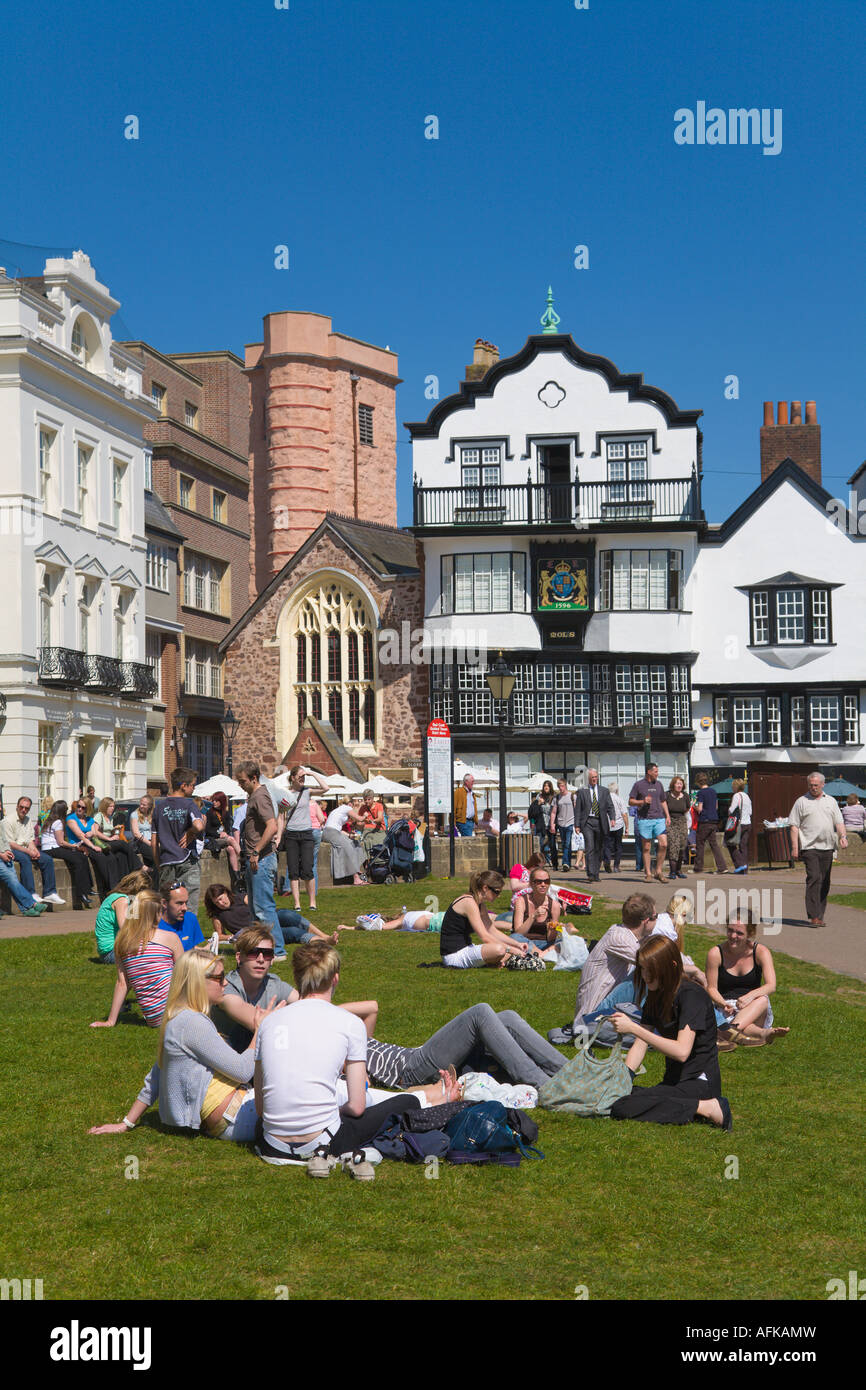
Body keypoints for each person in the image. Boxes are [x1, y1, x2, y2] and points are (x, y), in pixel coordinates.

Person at [254, 942, 445, 1174]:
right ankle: (434, 1098)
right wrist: (337, 1110)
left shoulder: (268, 1023)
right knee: (404, 1102)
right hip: (324, 1141)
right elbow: (356, 1106)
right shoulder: (349, 1023)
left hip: (271, 1145)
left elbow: (261, 1108)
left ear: (296, 976)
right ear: (335, 979)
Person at [89, 947, 278, 1142]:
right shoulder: (192, 1023)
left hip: (232, 1113)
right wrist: (259, 1030)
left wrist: (127, 1122)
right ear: (197, 982)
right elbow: (243, 1071)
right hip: (236, 1116)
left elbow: (157, 1075)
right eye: (219, 978)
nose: (226, 982)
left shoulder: (178, 1017)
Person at [608, 936, 732, 1129]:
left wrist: (633, 1028)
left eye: (651, 970)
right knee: (623, 1097)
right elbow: (640, 1044)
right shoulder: (656, 995)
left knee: (623, 1107)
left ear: (672, 965)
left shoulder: (692, 996)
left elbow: (682, 1052)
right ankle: (694, 1107)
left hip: (699, 1082)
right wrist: (623, 1079)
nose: (645, 976)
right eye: (642, 969)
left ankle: (709, 1107)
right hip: (675, 1080)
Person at [211, 925, 368, 1051]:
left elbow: (311, 1006)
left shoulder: (273, 983)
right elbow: (258, 1023)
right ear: (239, 957)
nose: (260, 959)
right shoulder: (225, 988)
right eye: (253, 953)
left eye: (267, 954)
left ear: (272, 959)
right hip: (229, 1066)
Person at [366, 1002, 568, 1093]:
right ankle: (546, 1086)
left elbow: (372, 1008)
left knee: (508, 1017)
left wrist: (333, 1014)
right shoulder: (338, 1053)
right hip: (409, 1072)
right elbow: (360, 1085)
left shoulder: (342, 1030)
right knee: (479, 1013)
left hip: (414, 1054)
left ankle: (569, 1072)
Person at [569, 893, 657, 1041]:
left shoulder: (624, 933)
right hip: (592, 1016)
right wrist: (694, 972)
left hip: (603, 1006)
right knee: (645, 973)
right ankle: (658, 1024)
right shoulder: (619, 938)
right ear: (646, 921)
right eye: (656, 917)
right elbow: (657, 963)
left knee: (647, 971)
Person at [90, 889, 183, 1028]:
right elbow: (187, 974)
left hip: (154, 1018)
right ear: (155, 914)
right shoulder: (170, 938)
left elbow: (122, 983)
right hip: (177, 1012)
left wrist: (110, 1021)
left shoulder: (122, 942)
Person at [706, 909, 790, 1047]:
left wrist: (750, 996)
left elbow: (771, 985)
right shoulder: (716, 953)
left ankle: (726, 1032)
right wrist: (723, 1003)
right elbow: (711, 988)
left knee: (762, 1000)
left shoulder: (760, 952)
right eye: (730, 930)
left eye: (739, 933)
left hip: (753, 1007)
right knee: (750, 1021)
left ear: (750, 934)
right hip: (726, 1008)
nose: (733, 936)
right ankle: (763, 1034)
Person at [203, 882, 338, 954]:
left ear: (226, 893)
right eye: (217, 902)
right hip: (257, 933)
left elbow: (260, 907)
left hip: (264, 920)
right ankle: (325, 942)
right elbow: (219, 935)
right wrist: (232, 937)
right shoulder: (218, 915)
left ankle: (323, 935)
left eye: (221, 899)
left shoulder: (240, 898)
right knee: (292, 932)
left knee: (287, 914)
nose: (221, 903)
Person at [235, 760, 285, 941]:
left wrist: (256, 851)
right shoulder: (255, 796)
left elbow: (271, 826)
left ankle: (277, 949)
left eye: (242, 781)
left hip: (261, 860)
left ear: (253, 778)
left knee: (264, 908)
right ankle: (260, 945)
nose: (240, 785)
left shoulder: (259, 796)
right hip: (255, 860)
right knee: (256, 909)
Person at [789, 773, 847, 926]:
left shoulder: (831, 801)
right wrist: (795, 847)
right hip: (809, 847)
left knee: (825, 881)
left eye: (816, 785)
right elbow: (794, 826)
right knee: (814, 877)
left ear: (823, 784)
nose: (813, 788)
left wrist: (843, 836)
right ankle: (813, 916)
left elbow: (839, 822)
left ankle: (820, 915)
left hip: (827, 847)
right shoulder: (801, 802)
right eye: (811, 785)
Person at [439, 870, 529, 968]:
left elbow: (492, 930)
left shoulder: (480, 905)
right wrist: (511, 949)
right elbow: (484, 936)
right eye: (497, 892)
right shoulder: (469, 902)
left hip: (467, 948)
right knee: (500, 949)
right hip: (454, 956)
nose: (499, 896)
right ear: (485, 888)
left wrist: (517, 944)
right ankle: (495, 961)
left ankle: (495, 962)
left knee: (506, 950)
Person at [152, 767, 205, 911]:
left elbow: (154, 840)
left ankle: (167, 933)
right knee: (189, 905)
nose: (194, 788)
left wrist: (158, 863)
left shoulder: (159, 807)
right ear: (183, 786)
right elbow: (199, 826)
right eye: (192, 785)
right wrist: (190, 832)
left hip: (166, 861)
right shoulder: (189, 804)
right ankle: (188, 933)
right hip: (187, 860)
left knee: (167, 906)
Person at [280, 765, 330, 911]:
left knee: (308, 869)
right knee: (293, 870)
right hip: (291, 835)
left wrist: (312, 773)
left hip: (307, 834)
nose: (303, 779)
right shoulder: (286, 794)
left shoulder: (307, 792)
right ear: (293, 778)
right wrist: (278, 837)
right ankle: (297, 903)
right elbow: (281, 817)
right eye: (300, 776)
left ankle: (312, 902)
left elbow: (325, 788)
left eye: (304, 777)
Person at [0, 796, 65, 904]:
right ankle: (31, 893)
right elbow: (11, 843)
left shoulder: (28, 820)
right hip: (11, 849)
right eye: (21, 807)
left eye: (26, 808)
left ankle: (50, 892)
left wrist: (34, 850)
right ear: (17, 807)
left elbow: (30, 839)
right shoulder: (7, 821)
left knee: (47, 859)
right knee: (25, 859)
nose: (24, 810)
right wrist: (29, 852)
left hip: (25, 848)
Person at [39, 800, 97, 908]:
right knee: (78, 860)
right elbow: (61, 842)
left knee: (82, 856)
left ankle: (88, 888)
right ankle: (81, 893)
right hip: (52, 849)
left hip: (49, 848)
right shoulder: (58, 822)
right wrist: (75, 846)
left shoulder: (49, 820)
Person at [94, 869, 153, 963]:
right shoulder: (122, 900)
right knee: (153, 954)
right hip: (111, 952)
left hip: (114, 950)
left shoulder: (126, 898)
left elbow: (135, 923)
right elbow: (126, 930)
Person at [65, 798, 120, 894]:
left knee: (111, 858)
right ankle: (109, 889)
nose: (80, 809)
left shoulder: (89, 819)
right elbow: (80, 836)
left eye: (83, 807)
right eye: (78, 806)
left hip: (91, 843)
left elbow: (94, 833)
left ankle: (115, 885)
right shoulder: (71, 819)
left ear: (87, 809)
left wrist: (91, 833)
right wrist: (93, 846)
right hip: (79, 845)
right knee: (101, 858)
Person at [629, 764, 670, 883]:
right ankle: (648, 873)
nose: (657, 773)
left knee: (664, 844)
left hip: (659, 818)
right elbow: (630, 801)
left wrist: (667, 815)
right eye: (655, 771)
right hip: (644, 819)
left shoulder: (659, 784)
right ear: (649, 772)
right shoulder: (638, 785)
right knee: (646, 847)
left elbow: (663, 801)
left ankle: (658, 871)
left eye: (657, 771)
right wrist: (642, 801)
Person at [0, 816, 49, 917]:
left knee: (13, 880)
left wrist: (7, 850)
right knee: (11, 879)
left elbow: (3, 840)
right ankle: (32, 904)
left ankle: (26, 909)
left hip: (4, 855)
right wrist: (1, 854)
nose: (0, 808)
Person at [509, 865, 562, 955]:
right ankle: (544, 954)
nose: (543, 885)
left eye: (546, 881)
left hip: (545, 943)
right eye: (538, 882)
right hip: (524, 942)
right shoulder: (521, 901)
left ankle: (539, 954)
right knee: (514, 938)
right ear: (531, 883)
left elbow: (550, 938)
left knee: (570, 941)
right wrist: (533, 916)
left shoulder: (555, 905)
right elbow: (519, 933)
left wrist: (554, 929)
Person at [574, 770, 614, 882]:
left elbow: (610, 806)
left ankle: (596, 873)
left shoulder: (604, 791)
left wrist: (612, 818)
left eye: (596, 777)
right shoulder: (582, 792)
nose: (594, 779)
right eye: (592, 777)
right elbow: (578, 810)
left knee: (599, 849)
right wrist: (577, 825)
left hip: (600, 822)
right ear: (588, 778)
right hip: (587, 822)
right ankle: (590, 873)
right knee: (590, 847)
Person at [322, 800, 367, 884]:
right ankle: (356, 878)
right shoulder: (346, 808)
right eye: (352, 805)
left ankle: (357, 868)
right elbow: (359, 819)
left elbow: (338, 830)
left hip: (330, 832)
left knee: (354, 842)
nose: (352, 807)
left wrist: (349, 836)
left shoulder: (338, 810)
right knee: (348, 847)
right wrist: (365, 815)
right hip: (330, 832)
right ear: (349, 804)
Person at [92, 797, 140, 876]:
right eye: (110, 806)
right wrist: (109, 838)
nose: (112, 808)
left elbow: (112, 831)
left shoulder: (110, 818)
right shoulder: (99, 816)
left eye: (113, 806)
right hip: (102, 843)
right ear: (105, 806)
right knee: (123, 844)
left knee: (122, 856)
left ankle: (124, 880)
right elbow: (95, 832)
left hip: (110, 841)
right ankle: (138, 865)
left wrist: (116, 831)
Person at [692, 772, 728, 876]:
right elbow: (716, 807)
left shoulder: (701, 793)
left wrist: (693, 805)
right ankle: (722, 867)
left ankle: (698, 868)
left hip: (704, 821)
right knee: (714, 845)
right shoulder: (713, 791)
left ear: (698, 782)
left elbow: (700, 809)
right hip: (714, 820)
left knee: (700, 844)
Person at [202, 792, 242, 884]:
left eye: (217, 801)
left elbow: (228, 828)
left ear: (222, 801)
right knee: (231, 839)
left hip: (224, 839)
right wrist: (218, 834)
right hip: (214, 839)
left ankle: (236, 875)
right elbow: (207, 830)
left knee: (231, 849)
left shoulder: (226, 813)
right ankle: (242, 857)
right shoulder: (209, 813)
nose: (214, 802)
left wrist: (225, 833)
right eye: (213, 800)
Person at [160, 883, 206, 953]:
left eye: (186, 903)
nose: (185, 908)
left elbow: (191, 949)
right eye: (179, 903)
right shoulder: (152, 926)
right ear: (164, 903)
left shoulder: (190, 919)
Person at [665, 775, 691, 880]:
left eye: (681, 783)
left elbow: (687, 807)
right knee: (673, 846)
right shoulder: (667, 795)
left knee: (682, 846)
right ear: (673, 785)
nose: (679, 785)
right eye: (677, 783)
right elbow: (663, 807)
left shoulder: (685, 796)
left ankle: (679, 870)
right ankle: (672, 871)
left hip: (682, 822)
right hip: (671, 822)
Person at [725, 778, 753, 873]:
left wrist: (728, 810)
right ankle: (745, 870)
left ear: (736, 787)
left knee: (730, 843)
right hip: (748, 823)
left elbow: (731, 810)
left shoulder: (736, 795)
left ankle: (740, 865)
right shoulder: (747, 796)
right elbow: (750, 812)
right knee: (743, 846)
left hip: (739, 824)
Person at [603, 782, 629, 873]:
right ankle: (616, 866)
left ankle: (607, 862)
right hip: (618, 825)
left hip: (607, 825)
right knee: (618, 846)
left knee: (607, 845)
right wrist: (627, 827)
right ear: (617, 790)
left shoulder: (604, 799)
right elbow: (624, 814)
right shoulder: (619, 799)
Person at [128, 795, 156, 872]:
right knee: (154, 855)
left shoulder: (153, 815)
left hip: (152, 840)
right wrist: (150, 843)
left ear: (150, 806)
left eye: (144, 805)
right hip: (140, 841)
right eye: (141, 803)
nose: (141, 806)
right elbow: (136, 833)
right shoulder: (135, 814)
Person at [553, 777, 576, 870]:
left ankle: (565, 863)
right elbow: (553, 812)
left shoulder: (572, 796)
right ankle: (568, 863)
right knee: (565, 844)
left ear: (565, 785)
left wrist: (578, 823)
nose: (561, 788)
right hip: (561, 823)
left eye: (562, 786)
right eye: (559, 786)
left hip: (571, 822)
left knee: (567, 844)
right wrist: (552, 824)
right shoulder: (557, 797)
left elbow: (577, 810)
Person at [537, 779, 559, 868]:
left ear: (550, 787)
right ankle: (540, 863)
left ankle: (555, 864)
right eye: (545, 785)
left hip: (551, 823)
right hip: (541, 823)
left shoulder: (554, 797)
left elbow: (556, 810)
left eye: (548, 785)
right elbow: (535, 809)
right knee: (540, 844)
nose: (546, 787)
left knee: (552, 845)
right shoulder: (539, 795)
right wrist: (538, 803)